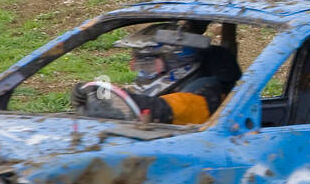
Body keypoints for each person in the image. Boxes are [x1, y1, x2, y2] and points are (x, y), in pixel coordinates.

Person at [71, 23, 241, 124]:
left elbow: (164, 108)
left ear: (179, 63)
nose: (140, 71)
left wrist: (118, 101)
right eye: (138, 65)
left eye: (148, 64)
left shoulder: (205, 94)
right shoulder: (173, 91)